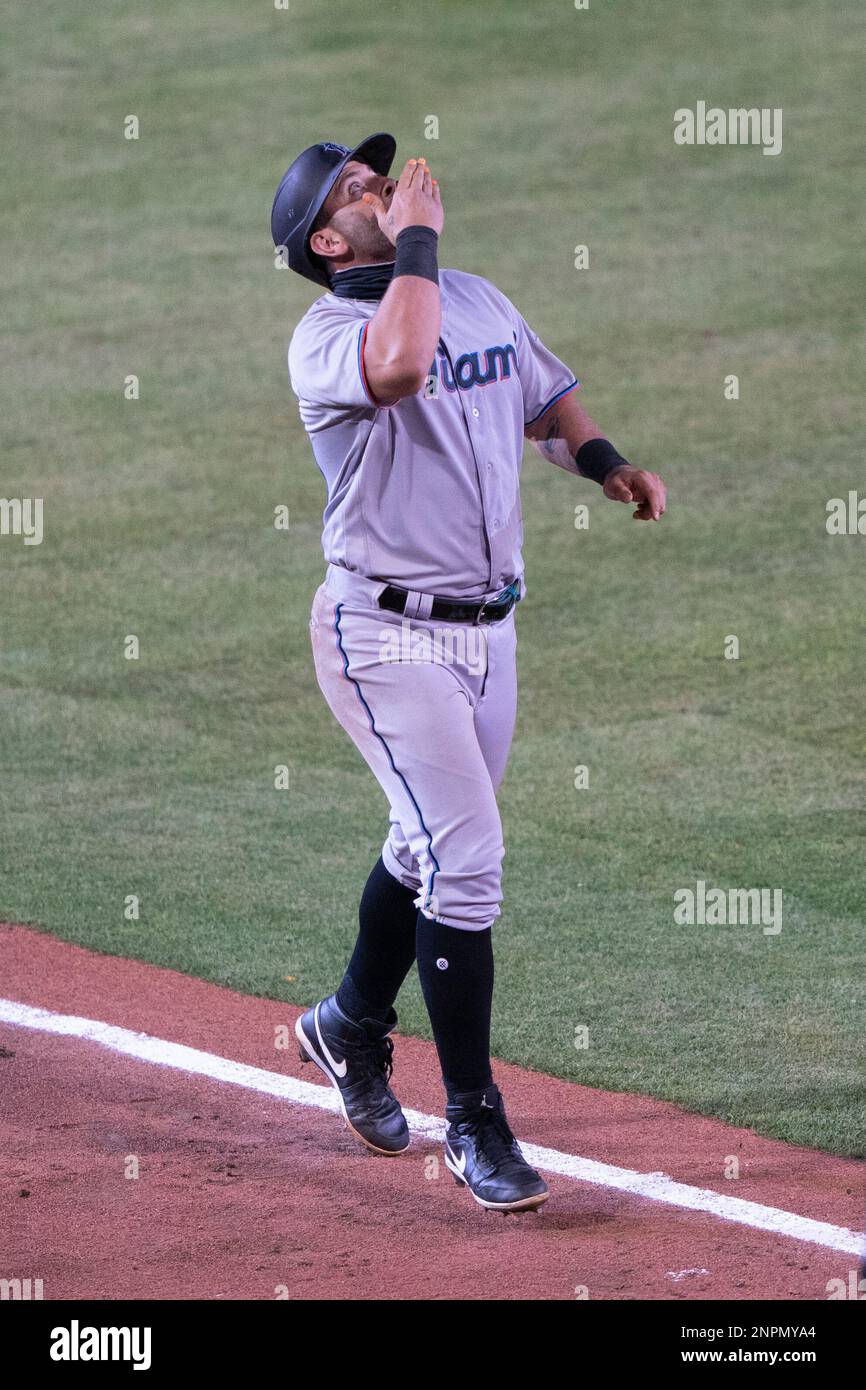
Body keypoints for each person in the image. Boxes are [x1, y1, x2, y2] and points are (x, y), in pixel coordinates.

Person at [271, 133, 666, 1213]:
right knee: (468, 859)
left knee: (424, 845)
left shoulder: (476, 300)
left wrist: (605, 463)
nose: (385, 188)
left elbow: (543, 402)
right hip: (381, 634)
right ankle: (474, 1122)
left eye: (383, 177)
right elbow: (399, 365)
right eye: (361, 188)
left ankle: (347, 1026)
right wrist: (421, 244)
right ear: (326, 237)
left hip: (487, 635)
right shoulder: (327, 334)